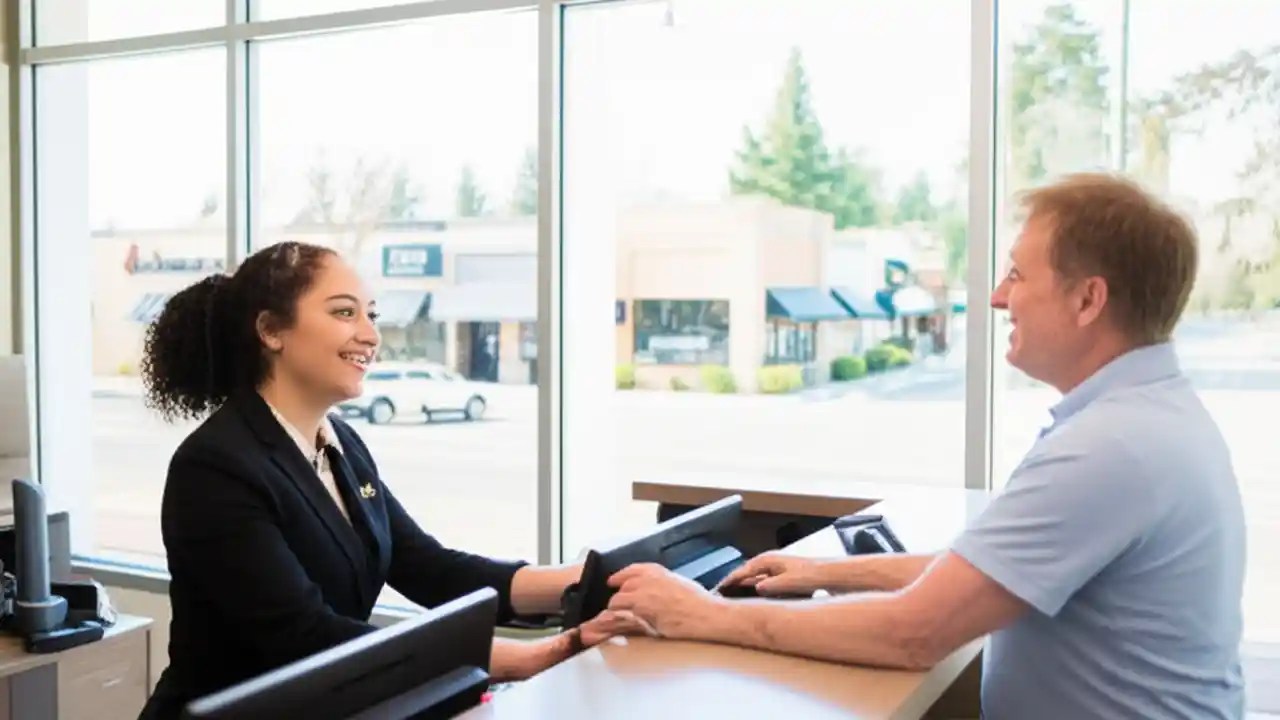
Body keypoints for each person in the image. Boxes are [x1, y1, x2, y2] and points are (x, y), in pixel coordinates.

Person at [604, 173, 1246, 719]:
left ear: (1088, 299)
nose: (998, 297)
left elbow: (915, 633)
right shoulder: (1143, 418)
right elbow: (988, 573)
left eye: (1018, 275)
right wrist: (825, 573)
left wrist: (699, 615)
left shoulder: (1113, 448)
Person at [137, 242, 624, 719]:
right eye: (345, 313)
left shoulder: (340, 443)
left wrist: (585, 580)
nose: (371, 335)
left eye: (372, 315)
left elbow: (428, 567)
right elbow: (305, 636)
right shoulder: (215, 465)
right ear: (270, 330)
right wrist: (526, 658)